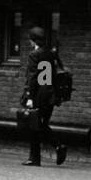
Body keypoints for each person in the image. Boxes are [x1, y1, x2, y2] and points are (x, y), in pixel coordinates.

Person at [20, 26, 67, 166]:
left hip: (39, 95)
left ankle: (56, 147)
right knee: (41, 124)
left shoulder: (34, 55)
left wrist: (29, 97)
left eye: (30, 40)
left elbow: (32, 77)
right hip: (51, 94)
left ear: (33, 40)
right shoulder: (52, 53)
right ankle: (37, 157)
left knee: (36, 125)